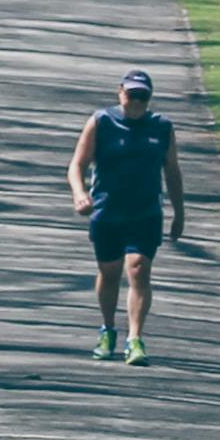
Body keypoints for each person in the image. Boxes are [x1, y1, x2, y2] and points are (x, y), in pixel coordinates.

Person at [67, 63, 183, 363]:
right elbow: (77, 165)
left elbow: (172, 171)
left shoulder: (162, 127)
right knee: (110, 272)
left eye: (142, 97)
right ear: (120, 94)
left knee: (139, 267)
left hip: (145, 212)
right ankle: (107, 329)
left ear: (149, 99)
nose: (136, 103)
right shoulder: (101, 122)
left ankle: (135, 338)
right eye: (131, 96)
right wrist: (80, 194)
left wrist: (179, 212)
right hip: (108, 211)